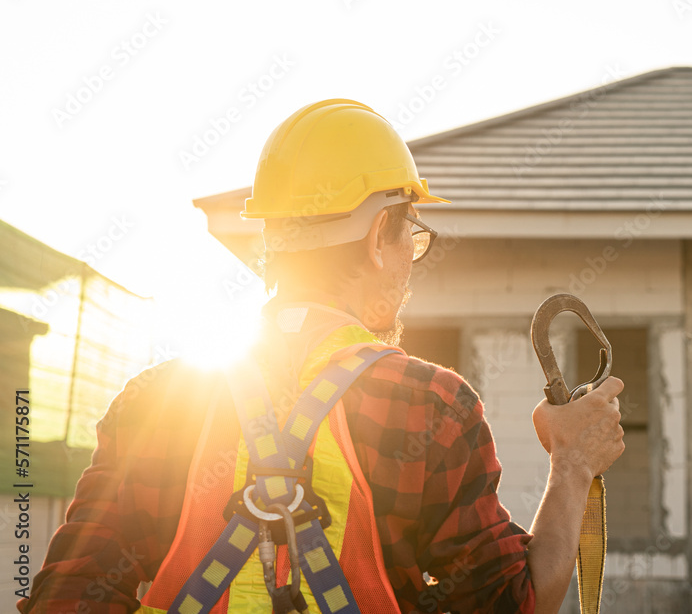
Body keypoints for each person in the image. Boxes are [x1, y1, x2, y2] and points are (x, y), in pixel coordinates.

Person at [18, 99, 625, 614]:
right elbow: (514, 602)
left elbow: (66, 597)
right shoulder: (434, 405)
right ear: (378, 234)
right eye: (411, 235)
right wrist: (572, 465)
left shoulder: (155, 402)